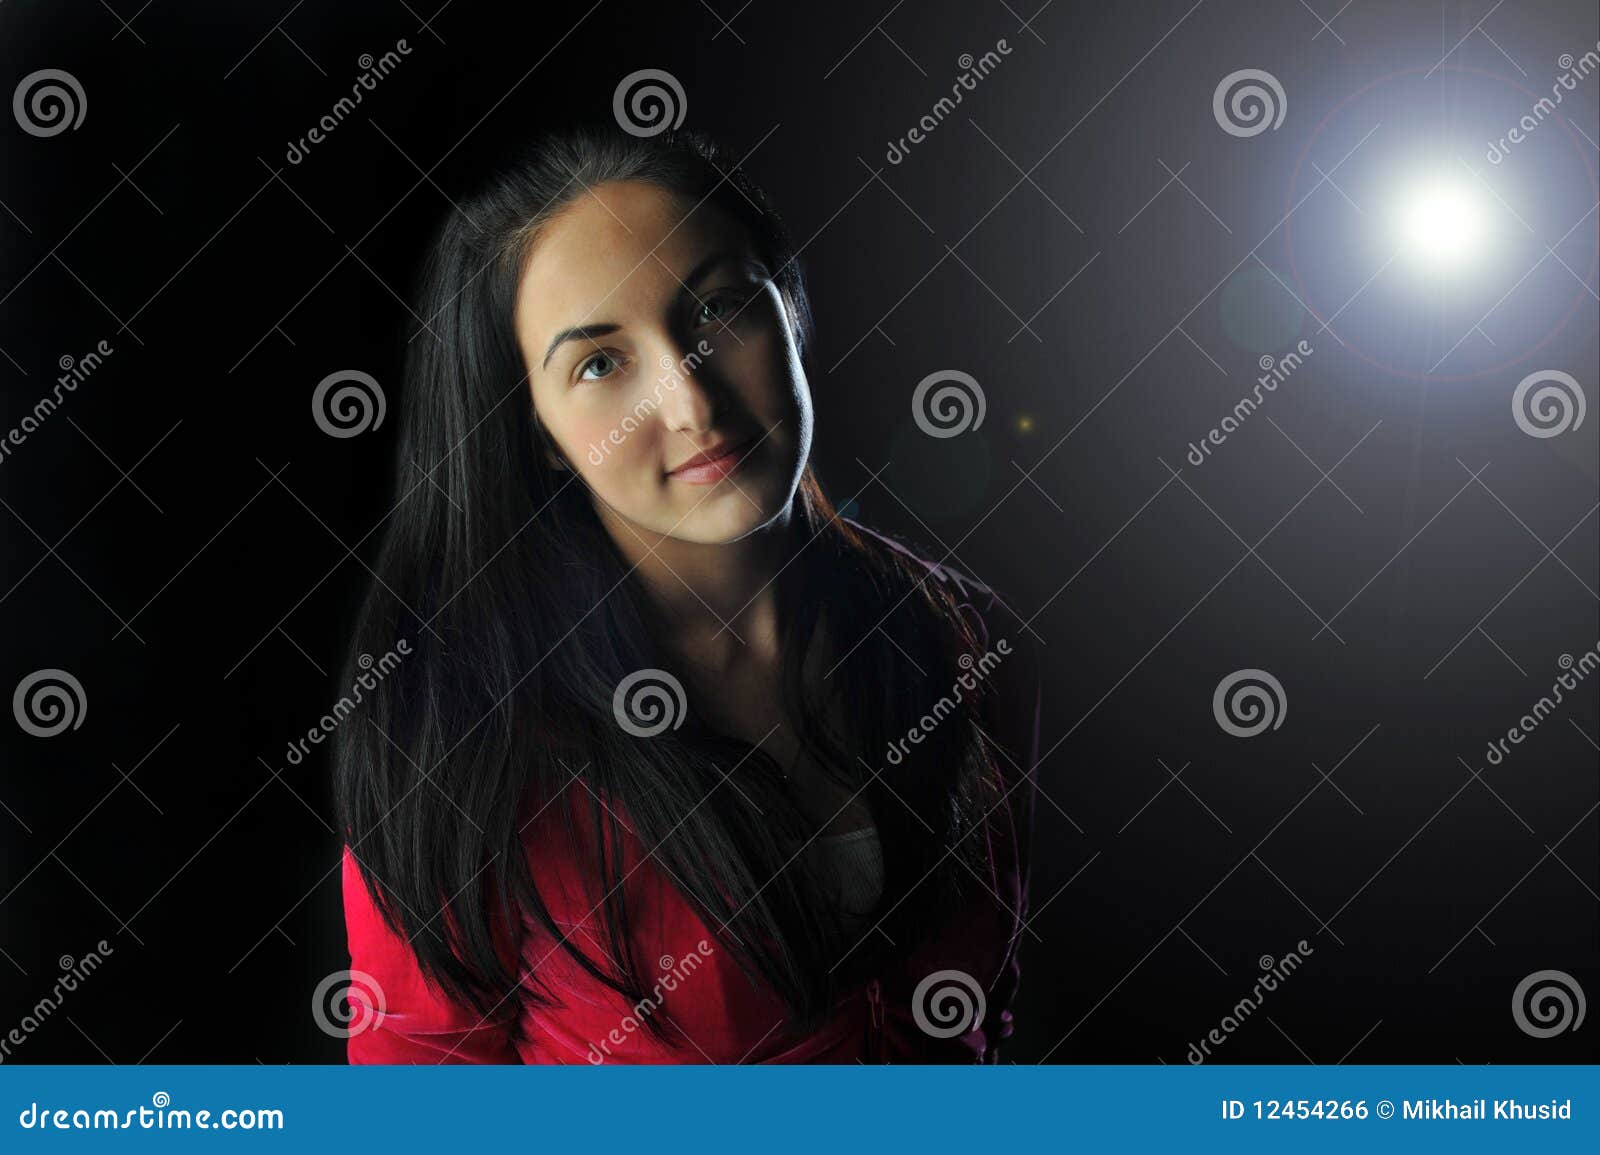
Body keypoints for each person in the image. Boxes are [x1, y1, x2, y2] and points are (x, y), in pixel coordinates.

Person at [334, 120, 1041, 1063]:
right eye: (599, 363)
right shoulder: (461, 746)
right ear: (539, 434)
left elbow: (986, 1015)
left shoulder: (964, 639)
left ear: (789, 311)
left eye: (718, 309)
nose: (691, 400)